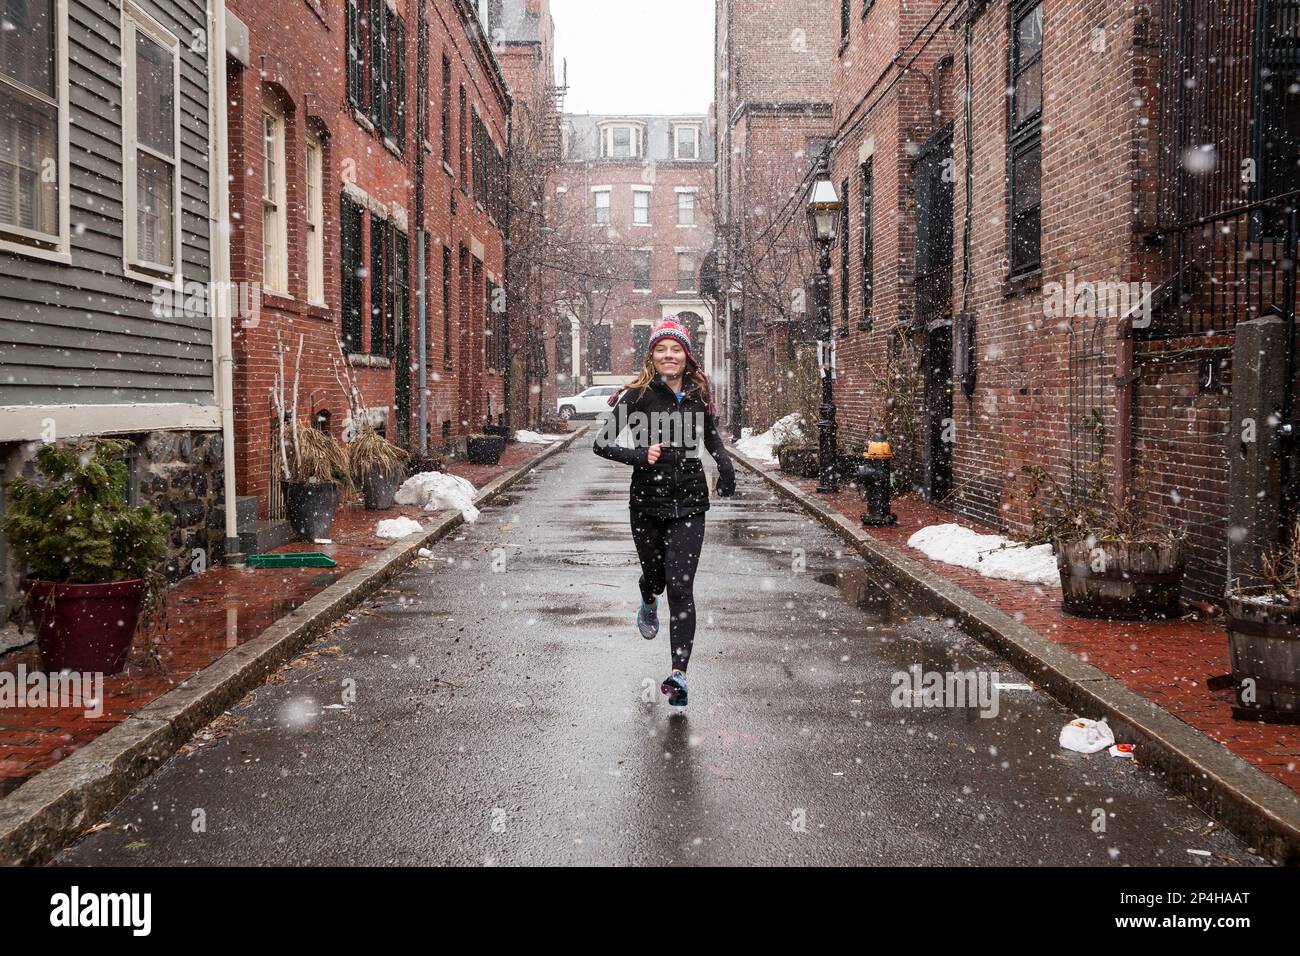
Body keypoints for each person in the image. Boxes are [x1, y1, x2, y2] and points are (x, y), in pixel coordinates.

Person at [592, 318, 736, 707]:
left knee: (682, 588)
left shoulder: (698, 395)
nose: (669, 355)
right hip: (647, 505)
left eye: (676, 349)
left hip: (690, 503)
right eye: (661, 349)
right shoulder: (637, 397)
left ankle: (678, 675)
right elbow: (602, 444)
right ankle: (647, 596)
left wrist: (726, 466)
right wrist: (641, 455)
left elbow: (712, 441)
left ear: (686, 355)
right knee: (656, 580)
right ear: (652, 356)